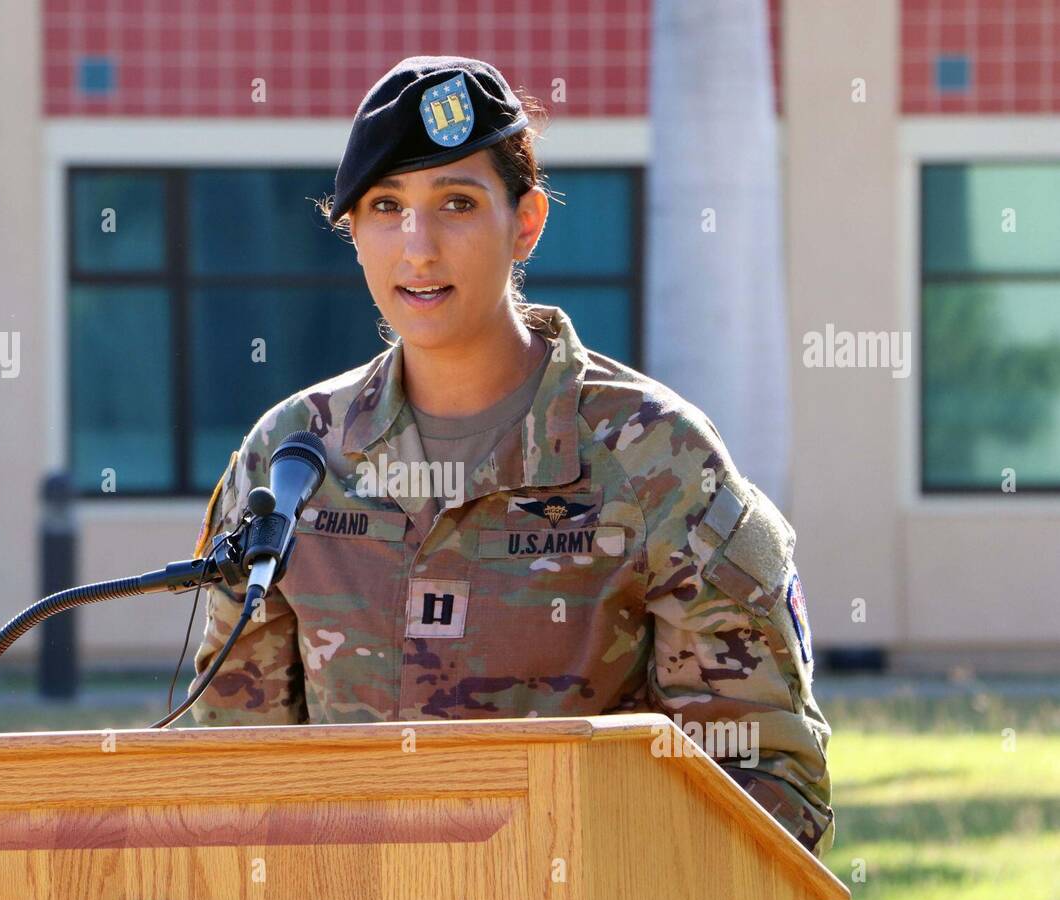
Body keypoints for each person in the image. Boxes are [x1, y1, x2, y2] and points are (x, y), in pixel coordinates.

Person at [187, 56, 834, 857]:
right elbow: (225, 769)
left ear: (525, 221)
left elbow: (771, 780)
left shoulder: (655, 457)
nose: (417, 247)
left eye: (456, 203)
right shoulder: (290, 463)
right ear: (351, 231)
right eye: (386, 207)